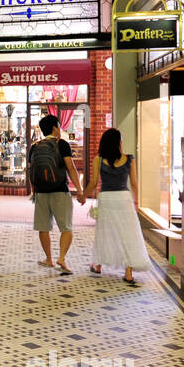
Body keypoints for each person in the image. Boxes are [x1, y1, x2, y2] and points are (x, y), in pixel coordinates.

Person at [83, 128, 150, 285]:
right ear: (119, 142)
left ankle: (98, 265)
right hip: (123, 198)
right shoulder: (129, 159)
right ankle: (128, 273)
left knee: (104, 231)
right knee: (128, 234)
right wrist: (137, 202)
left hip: (106, 198)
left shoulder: (98, 159)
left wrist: (83, 196)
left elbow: (93, 183)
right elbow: (134, 183)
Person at [30, 113, 85, 274]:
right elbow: (71, 168)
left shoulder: (35, 146)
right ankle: (61, 257)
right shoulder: (62, 144)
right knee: (66, 228)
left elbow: (30, 170)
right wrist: (80, 190)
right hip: (60, 191)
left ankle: (48, 258)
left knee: (43, 227)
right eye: (59, 126)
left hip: (41, 192)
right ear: (55, 128)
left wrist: (34, 191)